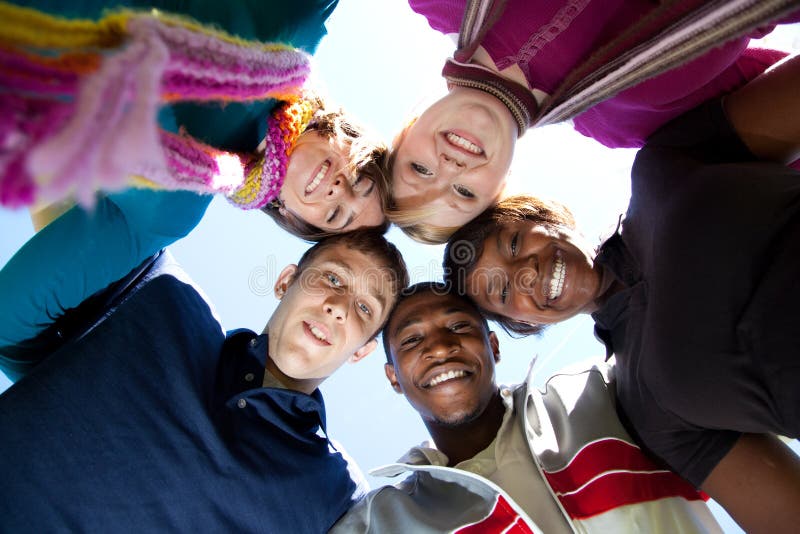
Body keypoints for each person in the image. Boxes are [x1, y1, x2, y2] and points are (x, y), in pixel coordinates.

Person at [442, 54, 800, 531]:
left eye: (513, 244)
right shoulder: (646, 410)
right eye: (504, 293)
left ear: (547, 216)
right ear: (527, 323)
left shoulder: (662, 167)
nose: (524, 273)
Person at [0, 181, 409, 530]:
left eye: (364, 308)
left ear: (362, 351)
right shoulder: (159, 290)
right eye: (333, 278)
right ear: (286, 281)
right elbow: (62, 181)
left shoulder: (337, 492)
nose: (339, 307)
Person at [388, 0, 800, 243]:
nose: (449, 168)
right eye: (463, 193)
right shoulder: (622, 124)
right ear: (502, 187)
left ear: (406, 132)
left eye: (419, 169)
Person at [332, 282, 722, 533]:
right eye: (412, 340)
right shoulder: (378, 523)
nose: (439, 347)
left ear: (494, 346)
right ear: (393, 377)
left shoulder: (605, 393)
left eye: (459, 327)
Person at [0, 0, 388, 240]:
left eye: (336, 215)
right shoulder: (300, 24)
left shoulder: (175, 209)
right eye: (361, 180)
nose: (340, 190)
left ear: (292, 216)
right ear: (350, 134)